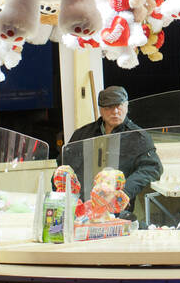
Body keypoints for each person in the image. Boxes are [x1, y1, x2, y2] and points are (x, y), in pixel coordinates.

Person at [61, 86, 162, 221]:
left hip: (116, 213)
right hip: (80, 210)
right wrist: (64, 192)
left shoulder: (138, 137)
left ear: (126, 105)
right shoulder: (82, 134)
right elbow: (63, 167)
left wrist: (125, 191)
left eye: (119, 106)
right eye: (109, 107)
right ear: (100, 109)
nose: (115, 111)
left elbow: (153, 168)